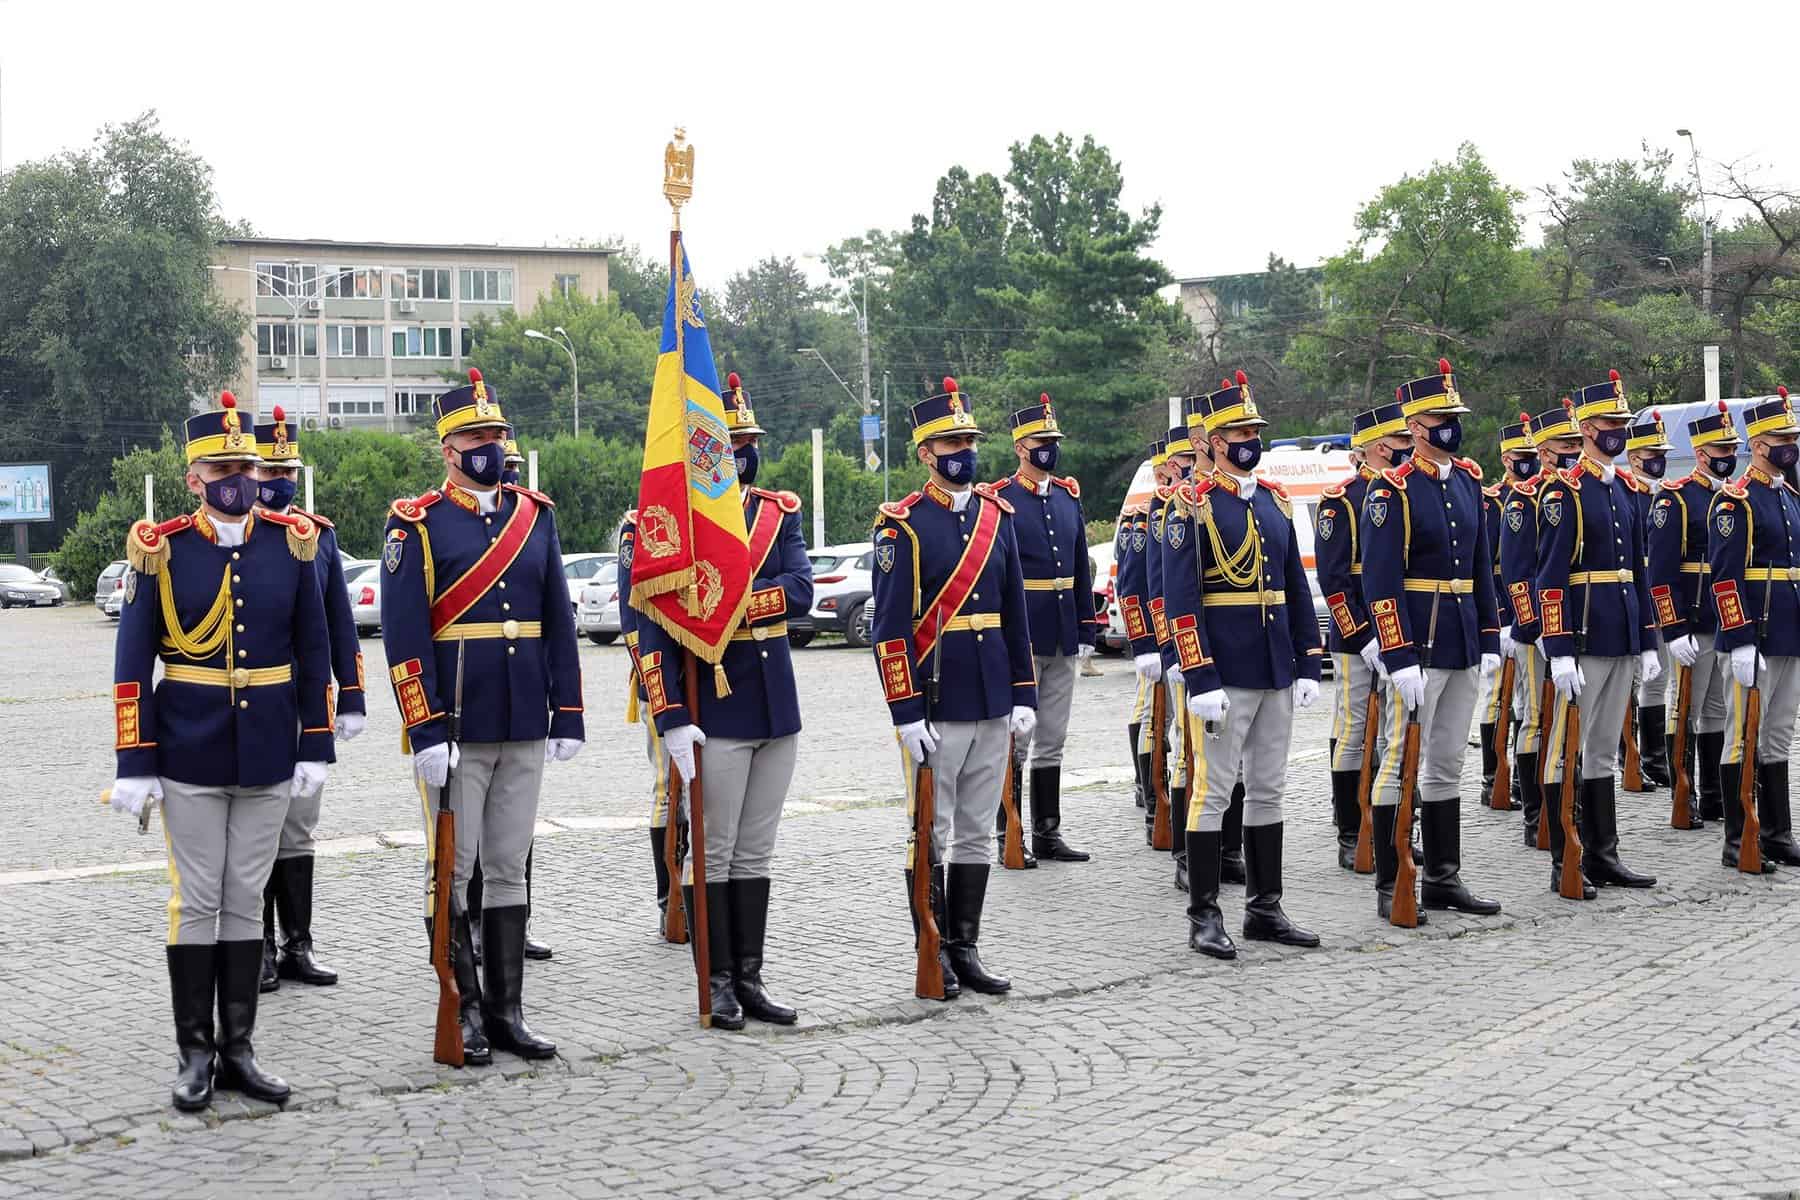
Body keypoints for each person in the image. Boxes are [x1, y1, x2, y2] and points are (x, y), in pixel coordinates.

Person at [110, 390, 331, 1111]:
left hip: (269, 749)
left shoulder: (290, 542)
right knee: (197, 900)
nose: (236, 478)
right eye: (221, 467)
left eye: (244, 465)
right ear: (193, 479)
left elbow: (312, 646)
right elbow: (131, 664)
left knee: (243, 900)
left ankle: (240, 1049)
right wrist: (134, 762)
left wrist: (315, 742)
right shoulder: (163, 548)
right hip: (190, 750)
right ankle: (195, 1054)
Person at [379, 368, 584, 1064]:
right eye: (475, 435)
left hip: (523, 714)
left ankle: (508, 1011)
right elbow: (405, 638)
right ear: (447, 448)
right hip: (458, 724)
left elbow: (558, 618)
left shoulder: (536, 516)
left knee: (506, 867)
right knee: (454, 867)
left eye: (496, 434)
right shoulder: (416, 525)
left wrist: (570, 712)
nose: (489, 446)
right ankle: (461, 1007)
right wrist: (424, 727)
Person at [635, 371, 811, 1028]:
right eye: (728, 439)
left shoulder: (776, 513)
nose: (740, 449)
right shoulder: (672, 526)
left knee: (756, 852)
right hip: (716, 707)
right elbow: (653, 628)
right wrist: (670, 716)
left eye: (748, 440)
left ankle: (751, 977)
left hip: (774, 704)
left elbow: (800, 592)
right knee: (715, 851)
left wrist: (723, 603)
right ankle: (717, 984)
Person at [871, 378, 1037, 997]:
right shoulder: (904, 528)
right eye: (950, 442)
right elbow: (888, 633)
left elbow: (1016, 613)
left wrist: (1024, 693)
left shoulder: (998, 518)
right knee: (930, 830)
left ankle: (966, 947)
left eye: (968, 440)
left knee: (975, 829)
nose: (963, 451)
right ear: (925, 453)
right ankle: (931, 949)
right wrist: (905, 709)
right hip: (936, 704)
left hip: (993, 695)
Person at [1163, 371, 1323, 959]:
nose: (1249, 439)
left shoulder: (1277, 500)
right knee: (1211, 794)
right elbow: (1180, 599)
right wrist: (1199, 674)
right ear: (1210, 439)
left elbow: (1294, 588)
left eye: (1254, 429)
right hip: (1224, 672)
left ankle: (1264, 908)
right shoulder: (1191, 504)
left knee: (1269, 790)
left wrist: (1309, 659)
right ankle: (1204, 914)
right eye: (1237, 431)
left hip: (1275, 666)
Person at [1360, 359, 1503, 921]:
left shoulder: (1469, 480)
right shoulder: (1390, 491)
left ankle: (1444, 877)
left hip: (1462, 637)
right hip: (1418, 643)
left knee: (1445, 763)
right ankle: (1392, 881)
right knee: (1399, 762)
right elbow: (1379, 581)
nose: (1451, 425)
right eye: (1441, 417)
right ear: (1416, 426)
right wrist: (1397, 654)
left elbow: (1482, 569)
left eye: (1453, 416)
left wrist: (1489, 638)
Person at [251, 407, 366, 992]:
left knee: (299, 828)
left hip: (306, 706)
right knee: (260, 830)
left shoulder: (318, 536)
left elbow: (340, 624)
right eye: (273, 470)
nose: (282, 480)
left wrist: (351, 696)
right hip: (254, 703)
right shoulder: (240, 538)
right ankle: (261, 946)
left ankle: (300, 942)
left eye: (290, 468)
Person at [1535, 372, 1661, 896]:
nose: (1618, 431)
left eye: (1622, 423)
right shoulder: (1562, 492)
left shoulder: (1627, 490)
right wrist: (1559, 648)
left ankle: (1605, 853)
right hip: (1585, 634)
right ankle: (1567, 856)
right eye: (1610, 423)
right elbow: (1550, 576)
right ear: (1587, 428)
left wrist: (1649, 639)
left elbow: (1641, 569)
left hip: (1622, 631)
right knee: (1569, 748)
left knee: (1605, 746)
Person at [990, 393, 1094, 864]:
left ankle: (1048, 832)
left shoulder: (1070, 497)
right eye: (1041, 440)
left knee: (1053, 735)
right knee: (1018, 737)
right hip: (1024, 632)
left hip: (1062, 632)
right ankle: (1007, 833)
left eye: (1054, 440)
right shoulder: (1002, 501)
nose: (1050, 447)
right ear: (1020, 446)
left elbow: (1079, 568)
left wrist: (1086, 628)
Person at [466, 433, 554, 964]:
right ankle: (471, 928)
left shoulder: (530, 518)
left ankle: (510, 930)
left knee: (515, 846)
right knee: (465, 848)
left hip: (522, 707)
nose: (509, 472)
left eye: (514, 465)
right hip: (469, 711)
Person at [1707, 386, 1800, 871]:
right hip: (1756, 634)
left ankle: (1778, 833)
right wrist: (1740, 639)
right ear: (1759, 444)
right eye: (1782, 437)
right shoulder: (1735, 502)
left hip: (1789, 631)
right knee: (1742, 734)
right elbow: (1724, 579)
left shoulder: (1788, 496)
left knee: (1779, 732)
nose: (1792, 445)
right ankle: (1738, 837)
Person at [1315, 402, 1410, 870]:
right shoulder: (1342, 500)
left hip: (1399, 633)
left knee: (1397, 731)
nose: (1408, 450)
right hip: (1359, 636)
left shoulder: (1407, 491)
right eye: (1401, 443)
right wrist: (1361, 634)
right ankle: (1351, 830)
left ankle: (1394, 823)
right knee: (1355, 732)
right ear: (1376, 448)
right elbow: (1333, 582)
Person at [1648, 401, 1741, 829]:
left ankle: (1715, 794)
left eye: (1733, 448)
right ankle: (1683, 794)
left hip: (1724, 622)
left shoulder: (1733, 497)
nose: (1729, 456)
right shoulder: (1677, 497)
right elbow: (1661, 571)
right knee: (1684, 707)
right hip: (1694, 621)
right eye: (1722, 449)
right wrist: (1673, 627)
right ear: (1701, 453)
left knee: (1717, 709)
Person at [1501, 407, 1582, 850]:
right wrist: (1532, 625)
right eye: (1566, 447)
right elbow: (1517, 570)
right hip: (1537, 628)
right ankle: (1536, 817)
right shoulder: (1526, 496)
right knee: (1534, 719)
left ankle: (1567, 808)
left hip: (1570, 626)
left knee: (1566, 720)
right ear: (1544, 452)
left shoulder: (1577, 492)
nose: (1574, 453)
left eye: (1576, 445)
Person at [619, 508, 686, 932]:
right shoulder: (641, 524)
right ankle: (670, 899)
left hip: (713, 681)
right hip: (663, 677)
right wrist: (656, 682)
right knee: (668, 790)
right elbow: (632, 620)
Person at [1476, 418, 1537, 802]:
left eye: (1534, 454)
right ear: (1506, 458)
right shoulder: (1492, 501)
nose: (1529, 461)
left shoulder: (1540, 495)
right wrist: (1499, 617)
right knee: (1498, 695)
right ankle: (1492, 776)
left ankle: (1518, 775)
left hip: (1528, 608)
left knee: (1524, 700)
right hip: (1502, 607)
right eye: (1523, 455)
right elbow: (1484, 564)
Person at [1623, 410, 1676, 790]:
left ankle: (1656, 758)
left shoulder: (1667, 497)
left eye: (1662, 452)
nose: (1660, 459)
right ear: (1635, 457)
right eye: (1652, 453)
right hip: (1633, 596)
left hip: (1663, 597)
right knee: (1632, 680)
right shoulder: (1627, 495)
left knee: (1660, 679)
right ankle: (1630, 755)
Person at [1114, 446, 1157, 816]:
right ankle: (1149, 790)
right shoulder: (1142, 520)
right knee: (1151, 712)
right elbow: (1130, 590)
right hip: (1158, 637)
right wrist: (1144, 643)